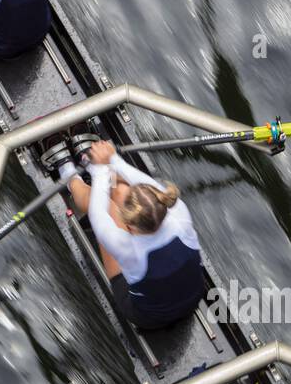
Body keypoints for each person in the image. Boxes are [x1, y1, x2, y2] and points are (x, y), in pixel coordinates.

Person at [54, 139, 205, 330]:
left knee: (107, 206)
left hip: (146, 316)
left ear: (131, 227)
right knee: (122, 188)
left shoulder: (127, 248)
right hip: (193, 298)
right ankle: (91, 163)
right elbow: (150, 186)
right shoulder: (180, 214)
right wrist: (113, 160)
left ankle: (68, 175)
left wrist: (99, 170)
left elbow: (96, 212)